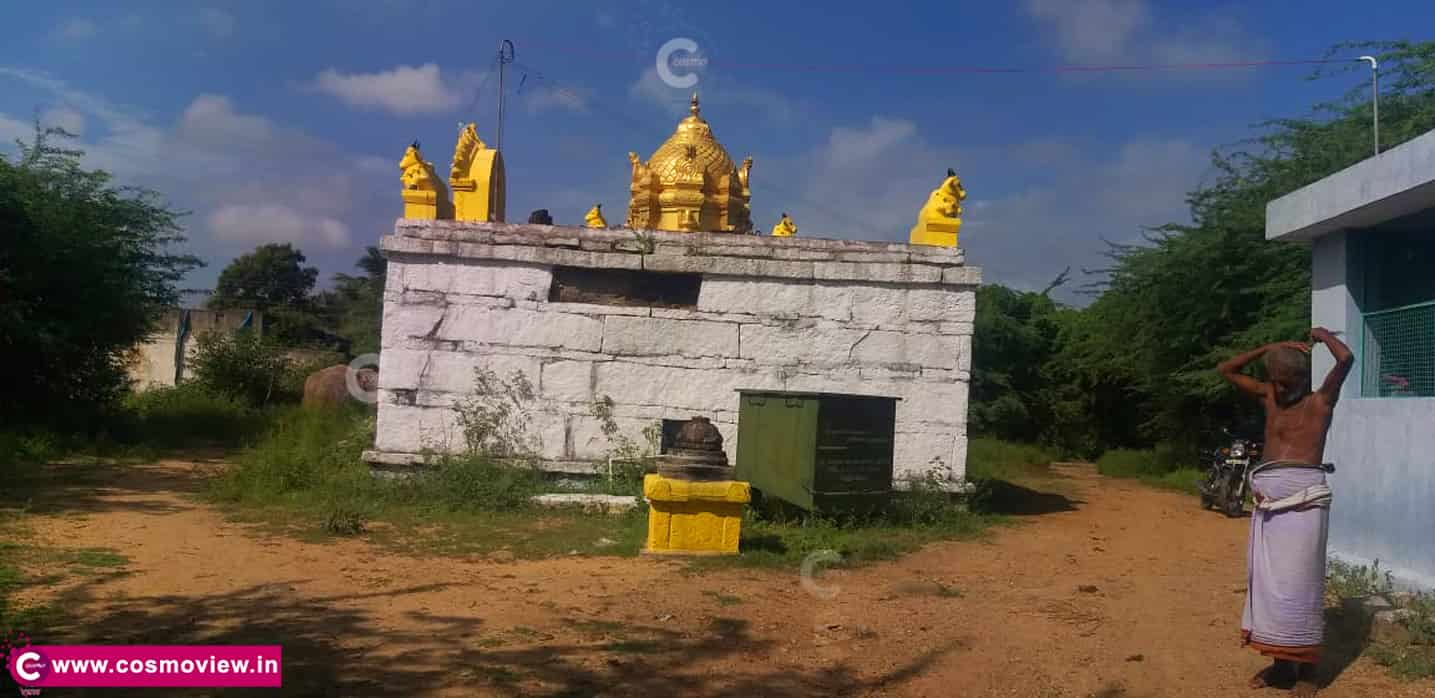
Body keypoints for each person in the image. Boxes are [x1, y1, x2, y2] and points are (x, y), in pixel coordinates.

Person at [1217, 327, 1354, 697]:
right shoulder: (1269, 398)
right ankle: (1280, 668)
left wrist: (1323, 334)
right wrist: (1267, 346)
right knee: (1270, 589)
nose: (1277, 388)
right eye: (1273, 381)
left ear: (1302, 379)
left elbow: (1346, 359)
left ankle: (1308, 673)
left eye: (1284, 381)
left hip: (1304, 505)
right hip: (1268, 508)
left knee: (1301, 588)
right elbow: (1225, 370)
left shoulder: (1321, 401)